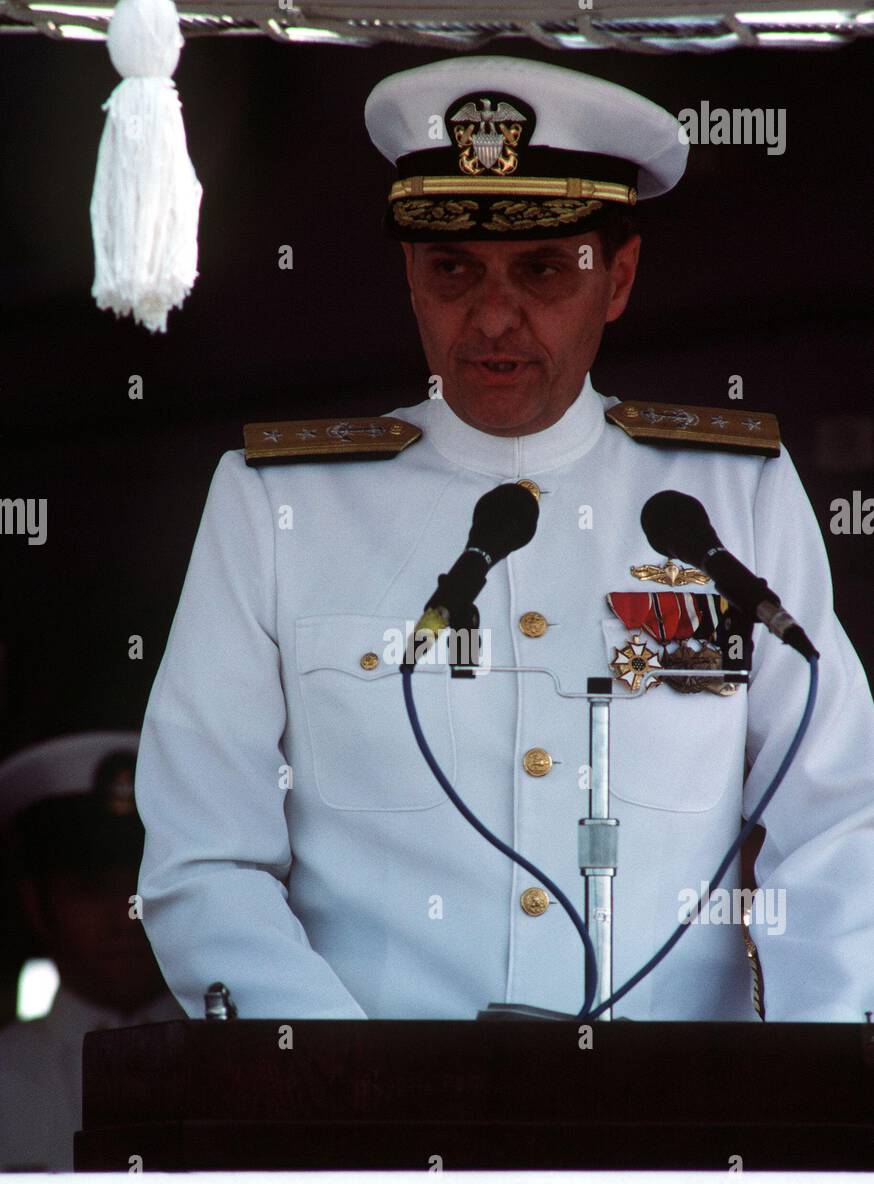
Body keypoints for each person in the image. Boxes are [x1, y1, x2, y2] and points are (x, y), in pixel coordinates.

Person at [135, 56, 874, 1025]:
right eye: (453, 271)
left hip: (673, 1144)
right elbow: (204, 857)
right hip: (366, 1142)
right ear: (408, 275)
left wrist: (798, 1098)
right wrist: (350, 1102)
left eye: (542, 270)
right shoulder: (277, 506)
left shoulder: (732, 497)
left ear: (618, 278)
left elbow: (838, 818)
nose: (492, 317)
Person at [0, 733, 183, 1184]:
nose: (123, 915)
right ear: (37, 904)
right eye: (89, 888)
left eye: (141, 888)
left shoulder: (253, 1067)